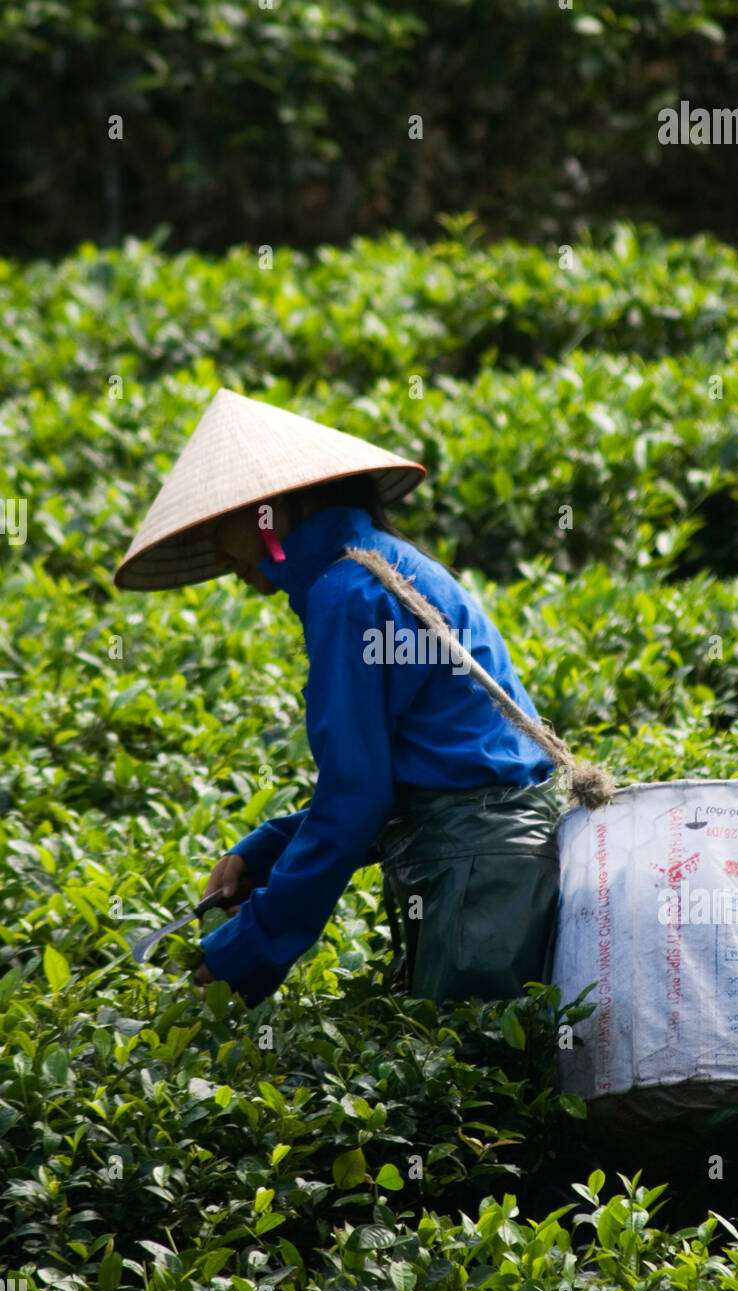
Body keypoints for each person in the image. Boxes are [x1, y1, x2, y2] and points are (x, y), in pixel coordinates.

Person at [114, 387, 564, 1009]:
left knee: (470, 1090)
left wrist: (244, 953)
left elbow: (358, 799)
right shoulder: (383, 567)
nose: (218, 553)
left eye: (221, 527)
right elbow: (425, 779)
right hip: (493, 868)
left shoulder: (346, 593)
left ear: (267, 514)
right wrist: (268, 849)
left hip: (478, 880)